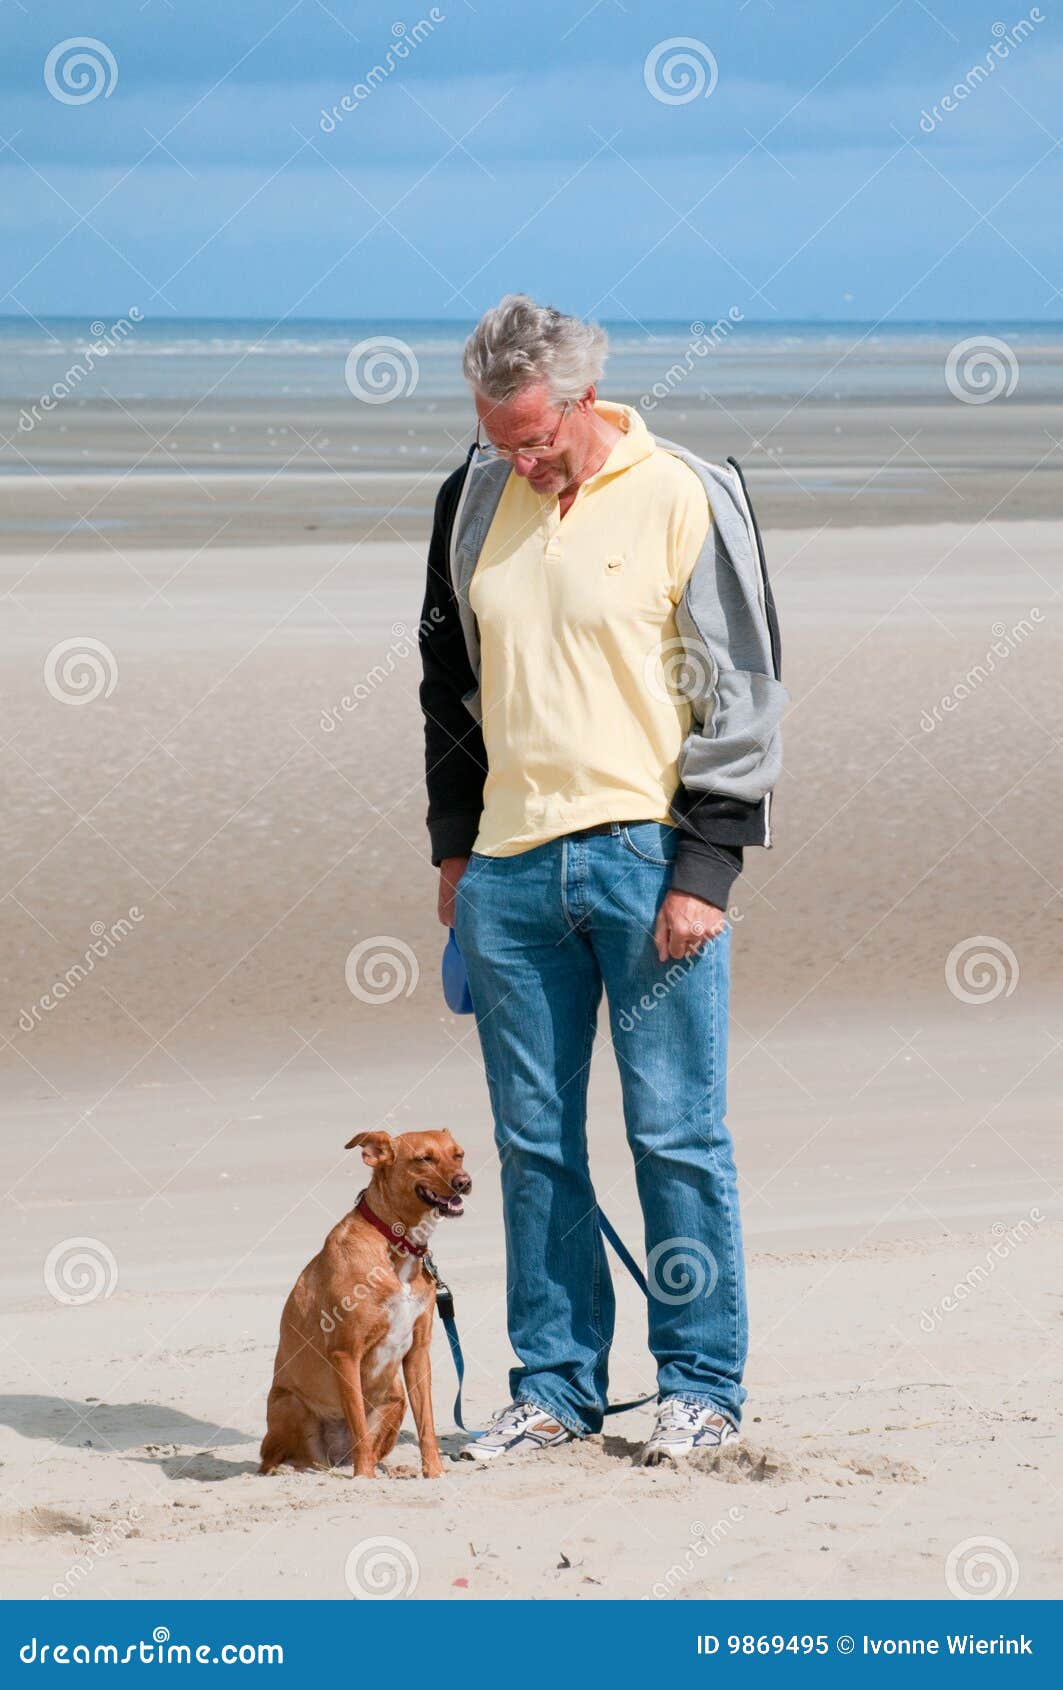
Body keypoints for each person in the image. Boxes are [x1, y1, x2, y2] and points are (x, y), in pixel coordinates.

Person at [418, 295, 786, 1465]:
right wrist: (454, 848)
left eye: (532, 436)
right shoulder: (473, 497)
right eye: (497, 437)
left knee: (675, 1132)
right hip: (509, 875)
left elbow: (742, 686)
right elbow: (448, 686)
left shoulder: (685, 489)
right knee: (532, 1144)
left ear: (584, 398)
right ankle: (556, 1386)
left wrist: (708, 864)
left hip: (644, 858)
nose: (517, 459)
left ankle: (701, 1385)